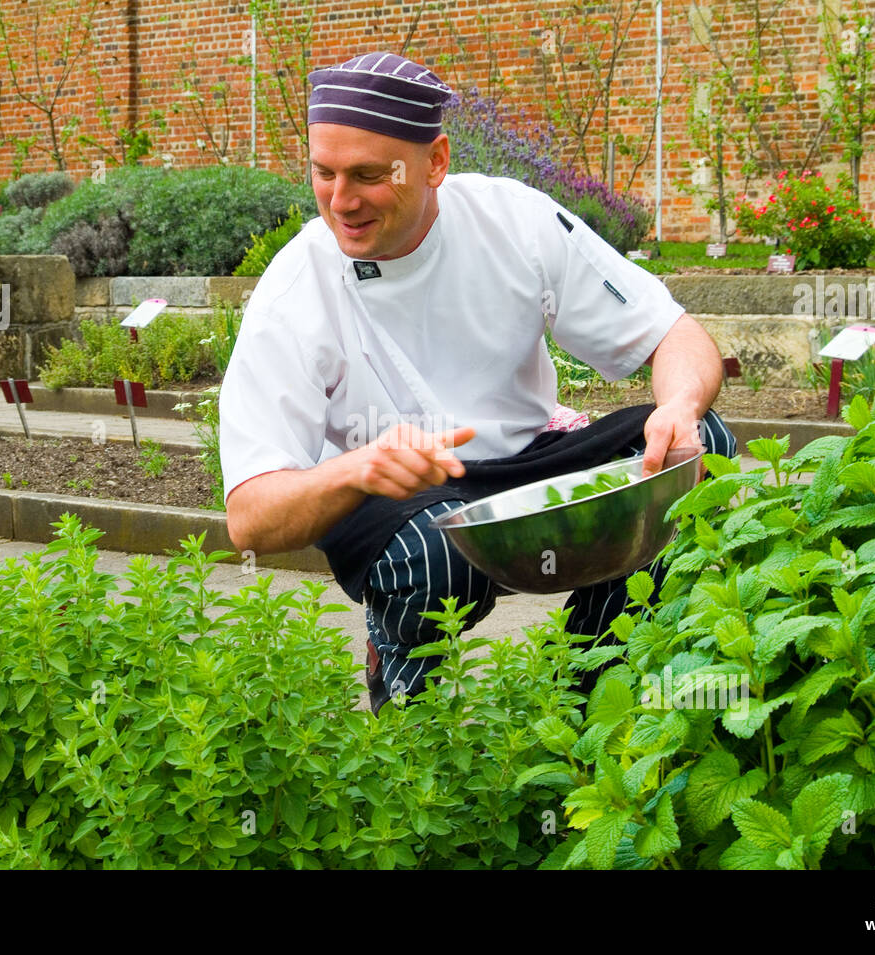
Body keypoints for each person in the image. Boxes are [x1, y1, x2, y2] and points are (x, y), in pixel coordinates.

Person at [219, 51, 736, 714]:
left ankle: (586, 700)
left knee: (700, 452)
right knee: (432, 561)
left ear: (435, 161)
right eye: (324, 173)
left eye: (368, 175)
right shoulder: (295, 289)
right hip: (393, 498)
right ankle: (413, 724)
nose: (340, 201)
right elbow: (249, 516)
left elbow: (675, 335)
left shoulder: (512, 222)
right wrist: (353, 470)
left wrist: (682, 403)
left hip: (525, 457)